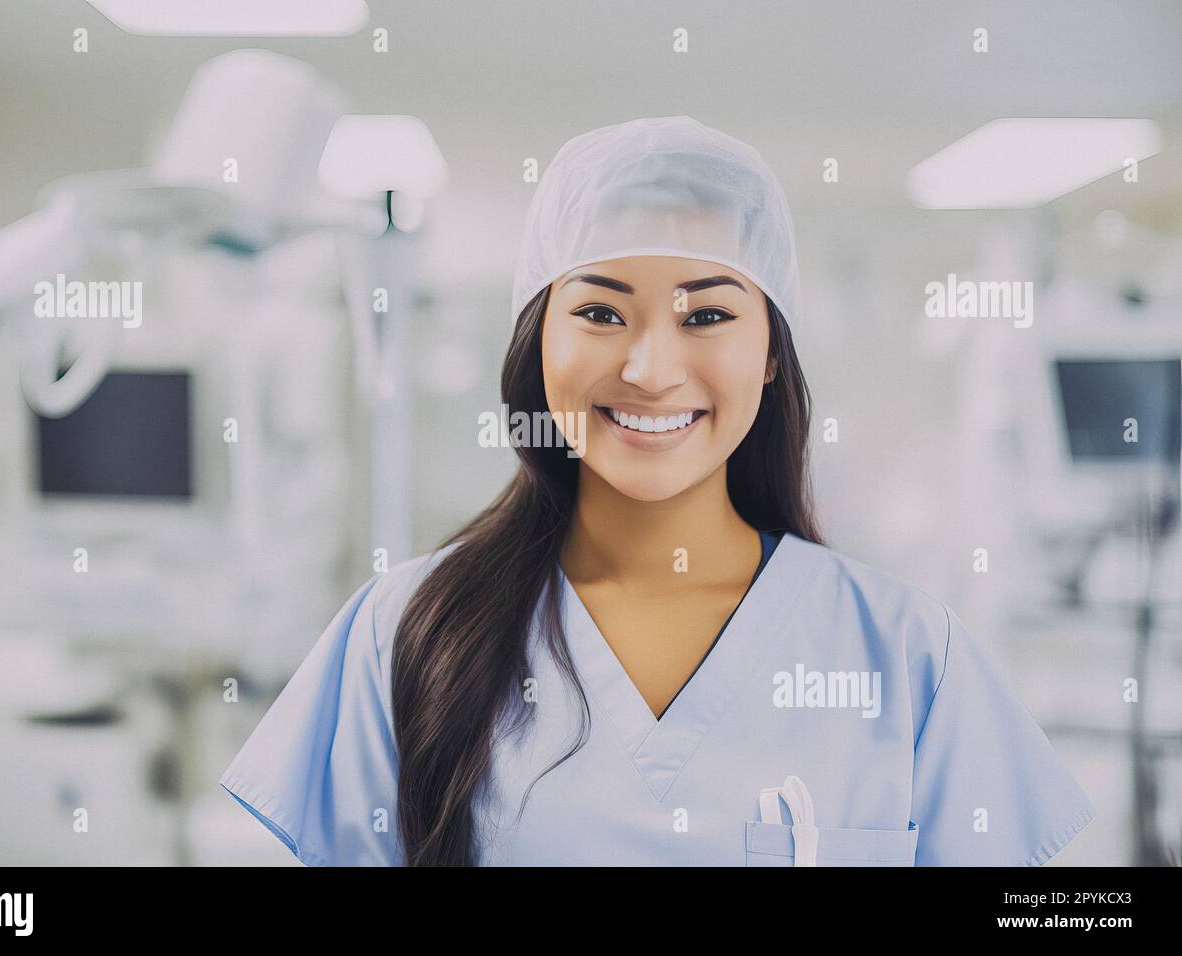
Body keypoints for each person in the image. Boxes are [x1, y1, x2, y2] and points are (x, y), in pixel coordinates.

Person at [219, 115, 1096, 866]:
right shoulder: (405, 632)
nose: (649, 368)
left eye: (707, 314)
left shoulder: (907, 658)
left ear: (770, 356)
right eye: (599, 312)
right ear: (537, 345)